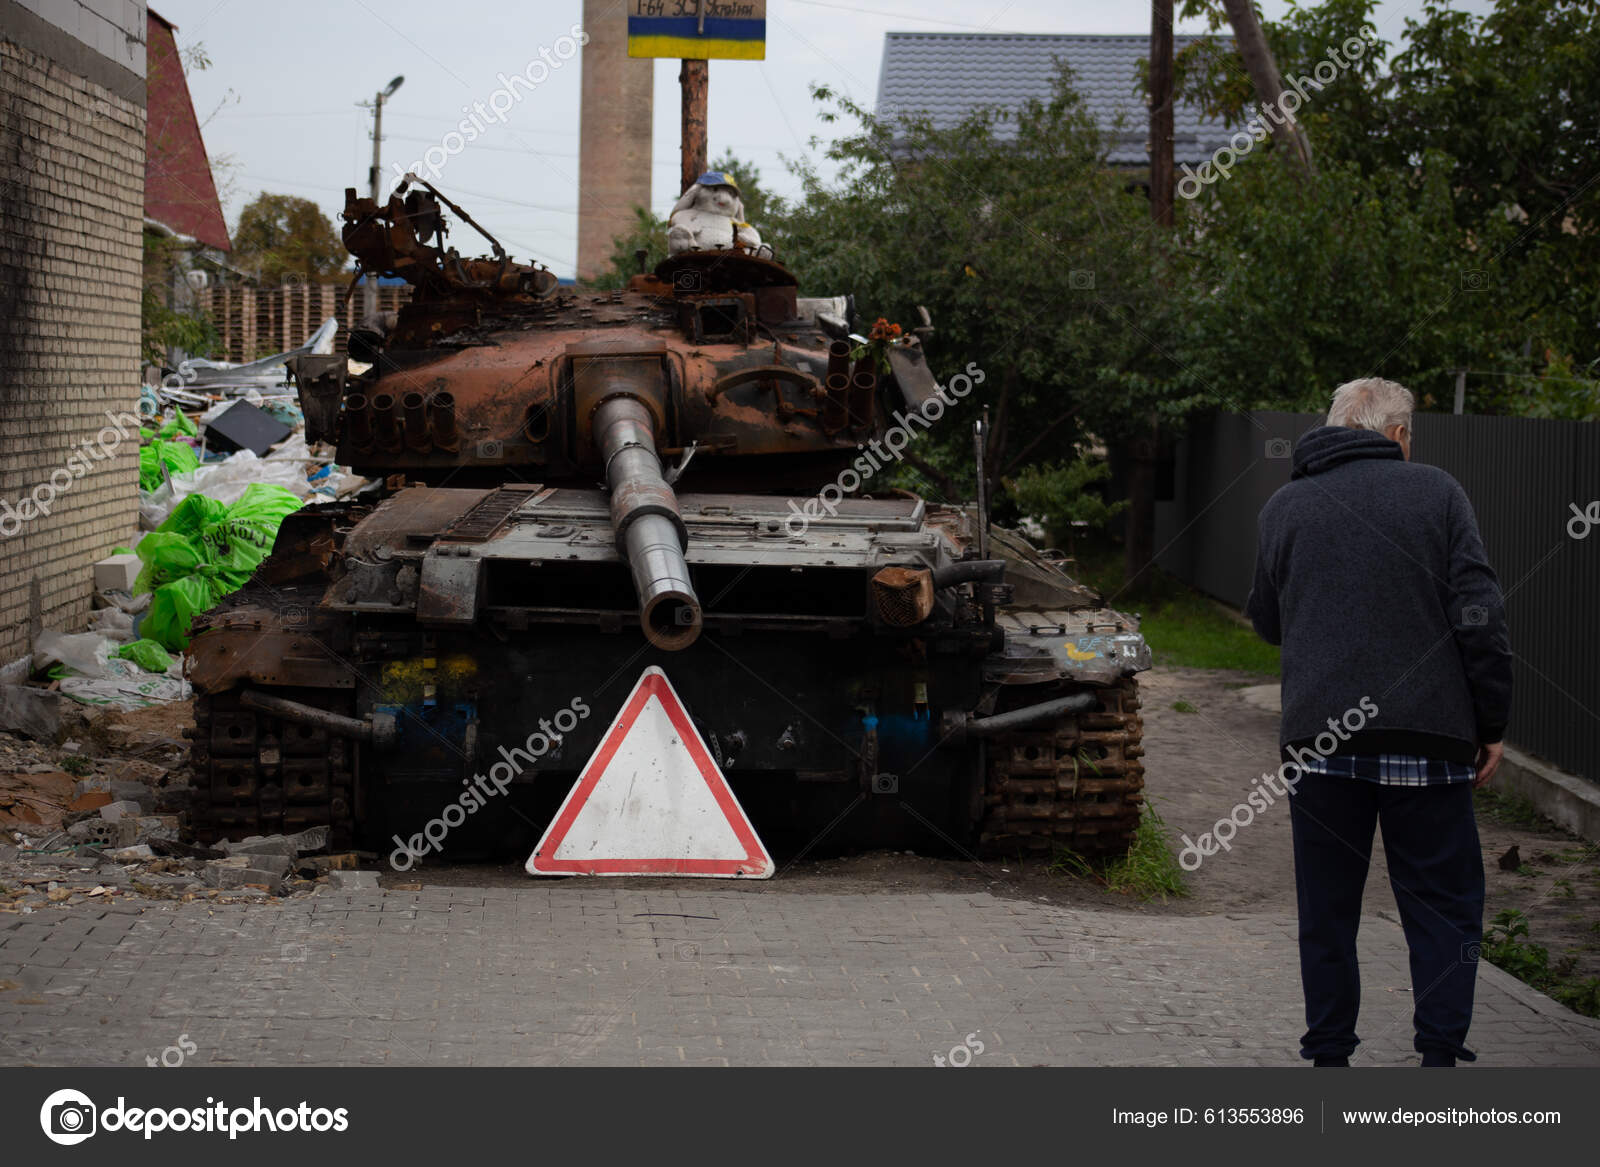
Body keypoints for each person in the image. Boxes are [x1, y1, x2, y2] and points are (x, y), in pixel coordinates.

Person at [1246, 377, 1513, 1068]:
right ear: (1395, 435)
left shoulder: (1284, 506)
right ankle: (1439, 1052)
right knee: (1444, 904)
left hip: (1321, 746)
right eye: (1411, 435)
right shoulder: (1439, 494)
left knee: (1327, 910)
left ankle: (1330, 1054)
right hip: (1430, 742)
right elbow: (1480, 618)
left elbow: (1266, 620)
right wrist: (1491, 722)